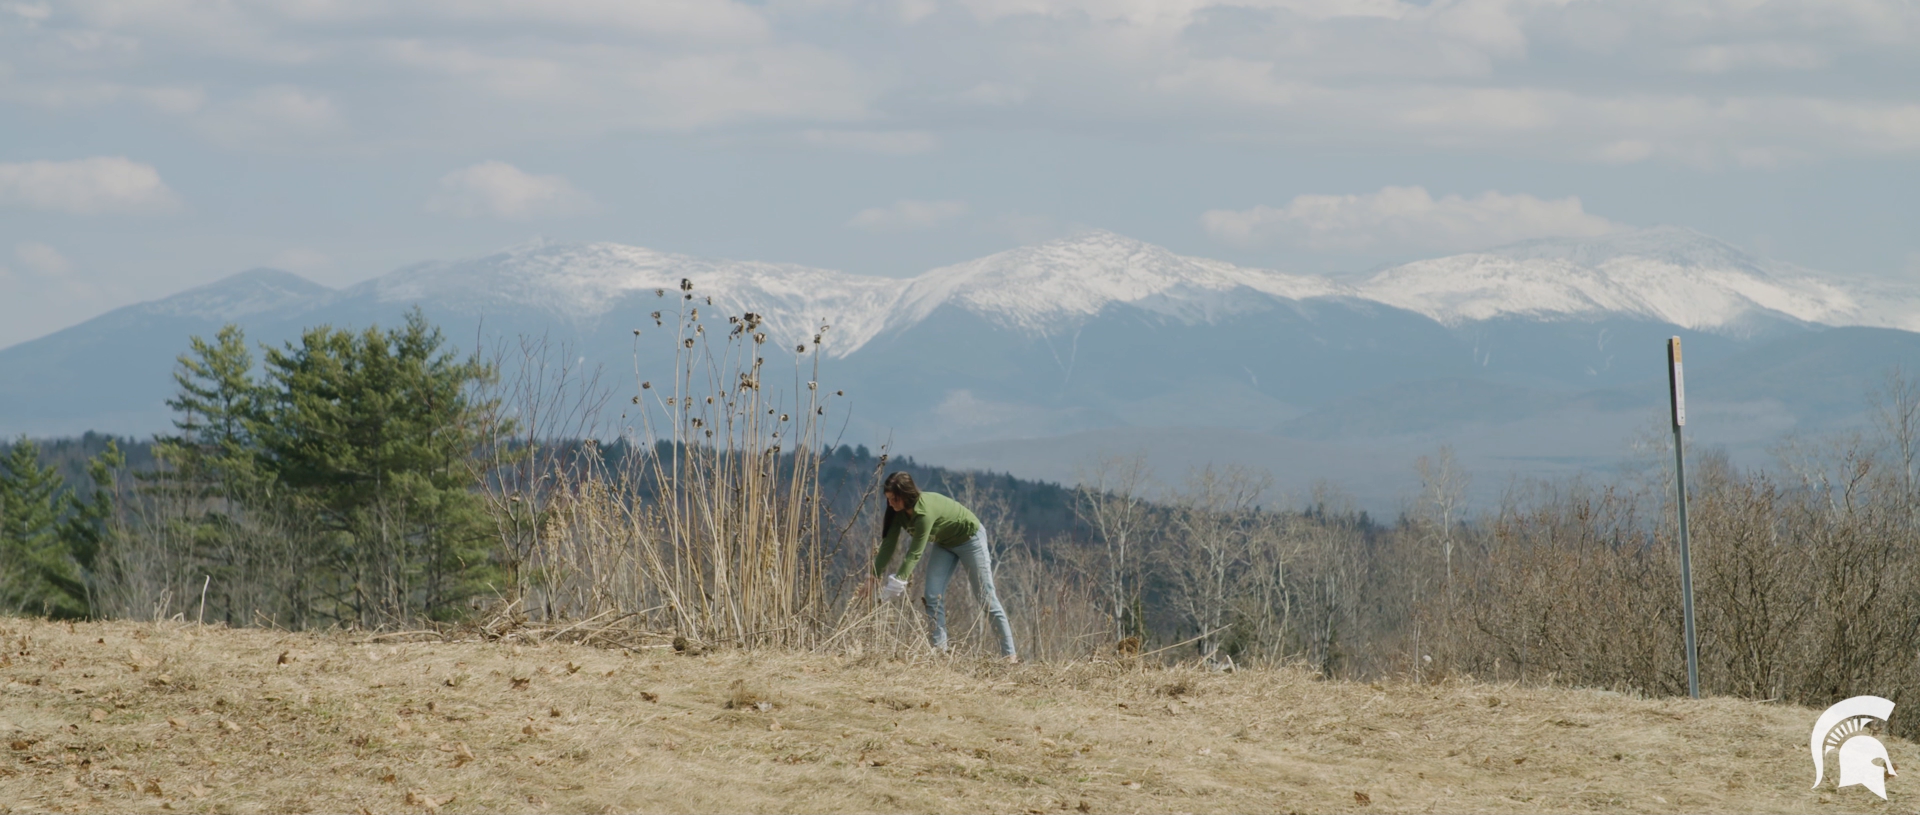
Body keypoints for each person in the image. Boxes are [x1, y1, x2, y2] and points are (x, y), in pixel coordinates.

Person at [870, 472, 1018, 663]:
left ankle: (1009, 656)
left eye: (895, 499)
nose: (891, 504)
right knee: (933, 596)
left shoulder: (924, 513)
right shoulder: (897, 513)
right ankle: (940, 654)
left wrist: (899, 580)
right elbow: (889, 543)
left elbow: (915, 552)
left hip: (970, 539)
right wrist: (873, 574)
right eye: (888, 500)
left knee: (986, 597)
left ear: (906, 495)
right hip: (945, 543)